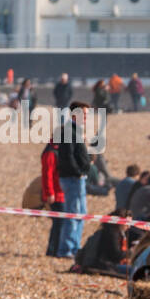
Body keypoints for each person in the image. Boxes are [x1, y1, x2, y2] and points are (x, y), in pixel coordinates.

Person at [53, 103, 92, 259]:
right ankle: (66, 249)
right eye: (84, 113)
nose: (86, 117)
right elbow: (67, 156)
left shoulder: (75, 130)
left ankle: (74, 246)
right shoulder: (68, 131)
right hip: (72, 178)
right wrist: (79, 172)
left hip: (77, 178)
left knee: (81, 213)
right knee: (73, 214)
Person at [41, 135, 66, 257]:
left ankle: (55, 249)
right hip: (56, 194)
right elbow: (47, 175)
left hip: (60, 192)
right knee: (59, 224)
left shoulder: (56, 150)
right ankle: (53, 250)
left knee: (60, 223)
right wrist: (50, 193)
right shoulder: (50, 153)